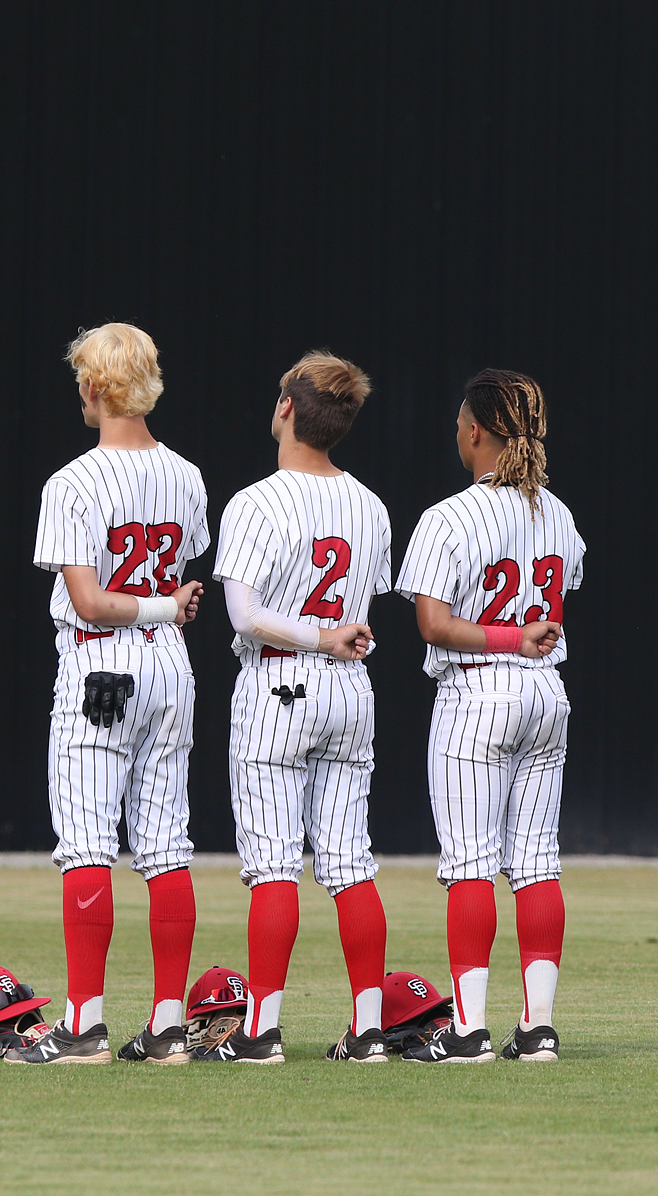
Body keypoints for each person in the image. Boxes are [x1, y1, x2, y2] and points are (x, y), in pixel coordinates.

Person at [5, 323, 208, 1066]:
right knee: (164, 847)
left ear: (95, 385)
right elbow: (176, 577)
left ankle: (84, 1025)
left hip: (103, 667)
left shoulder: (72, 482)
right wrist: (165, 606)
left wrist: (157, 605)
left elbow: (90, 602)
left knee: (89, 845)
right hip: (170, 669)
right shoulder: (187, 475)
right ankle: (166, 1028)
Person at [199, 351, 394, 1064]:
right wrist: (332, 634)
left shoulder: (255, 501)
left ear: (287, 408)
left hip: (280, 683)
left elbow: (244, 617)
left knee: (275, 867)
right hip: (348, 687)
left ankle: (262, 1032)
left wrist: (317, 633)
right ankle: (368, 1029)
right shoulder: (370, 505)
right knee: (349, 864)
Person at [393, 369, 585, 1064]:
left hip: (479, 692)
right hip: (544, 693)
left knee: (472, 865)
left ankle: (468, 1028)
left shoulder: (448, 516)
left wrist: (504, 637)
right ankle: (538, 1029)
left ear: (476, 430)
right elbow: (560, 599)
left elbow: (433, 625)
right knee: (536, 865)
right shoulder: (557, 514)